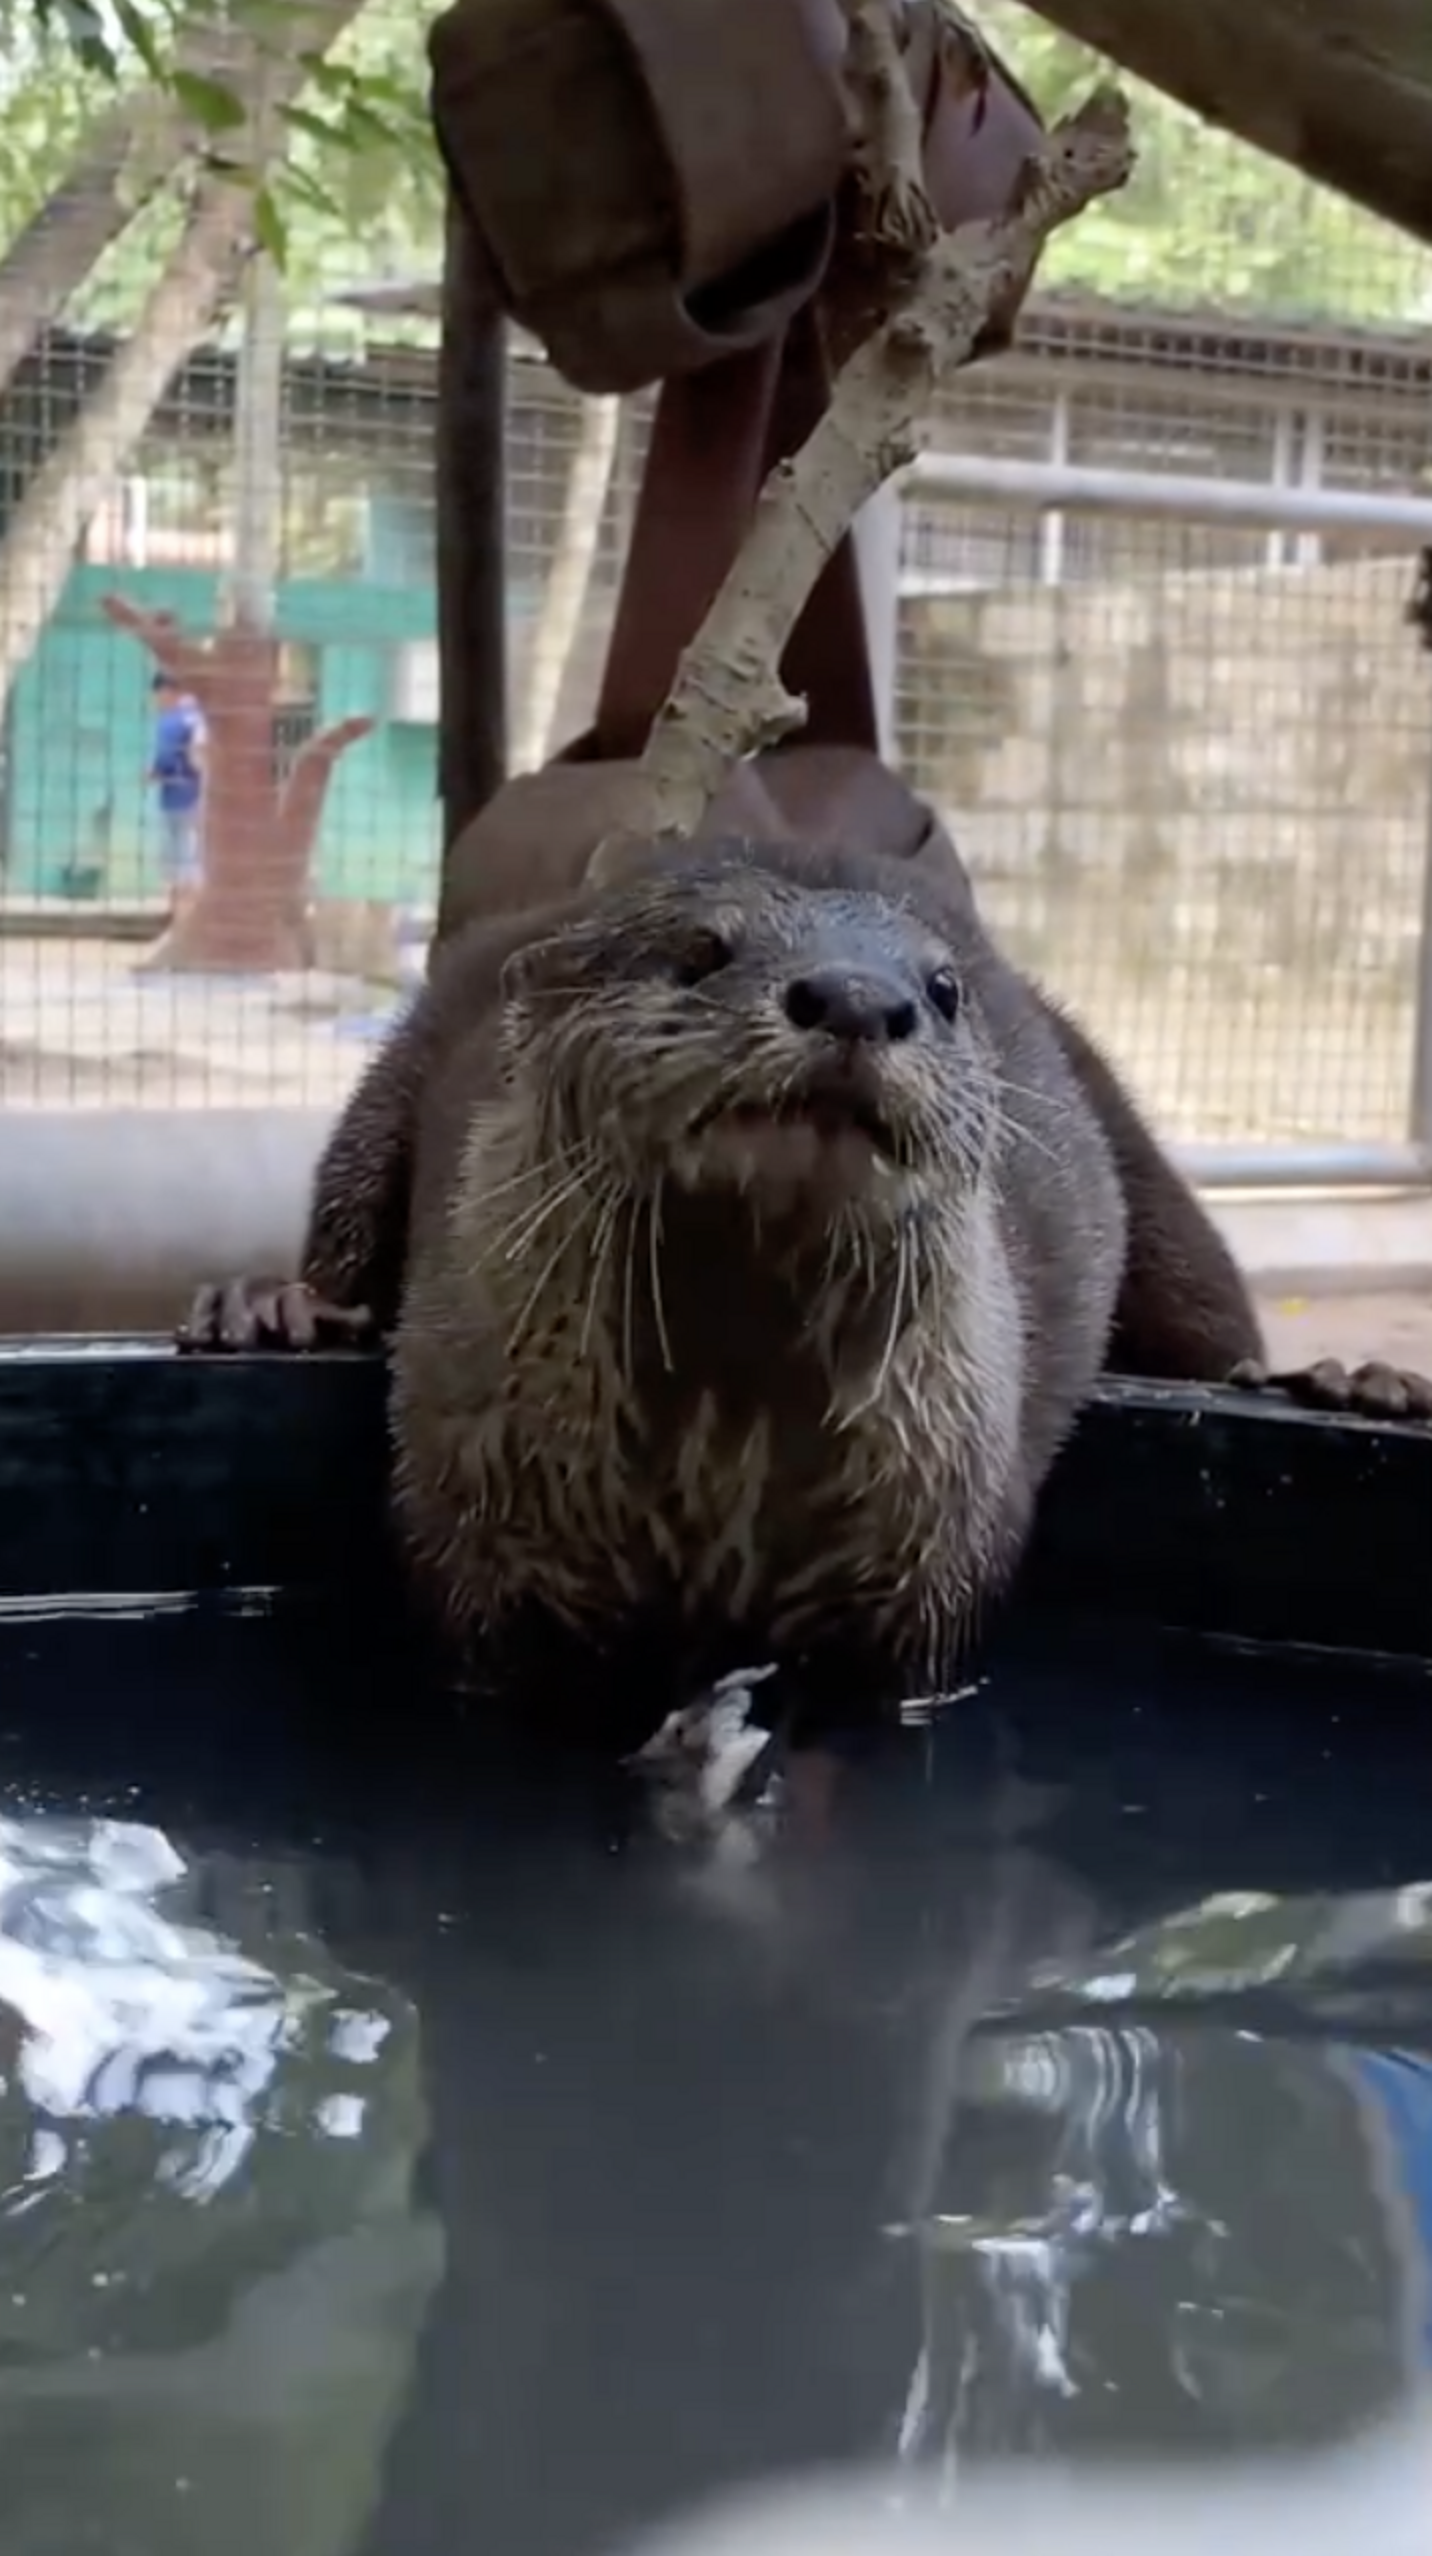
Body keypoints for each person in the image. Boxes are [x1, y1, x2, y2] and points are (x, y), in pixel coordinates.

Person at [145, 672, 207, 926]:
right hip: (196, 795)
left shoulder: (172, 721)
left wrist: (154, 773)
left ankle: (181, 920)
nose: (157, 701)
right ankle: (181, 919)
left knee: (180, 860)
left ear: (166, 692)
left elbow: (167, 757)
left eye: (158, 695)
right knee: (189, 858)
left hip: (180, 797)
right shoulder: (200, 717)